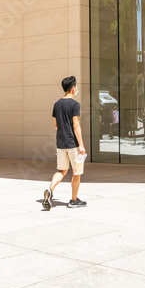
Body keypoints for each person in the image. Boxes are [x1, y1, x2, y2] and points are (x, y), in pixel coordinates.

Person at [42, 76, 87, 210]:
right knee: (76, 172)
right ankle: (73, 200)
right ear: (73, 88)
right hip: (72, 143)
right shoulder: (75, 105)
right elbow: (76, 125)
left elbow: (56, 125)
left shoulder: (57, 104)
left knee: (62, 170)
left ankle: (50, 189)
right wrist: (81, 145)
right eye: (76, 86)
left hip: (60, 143)